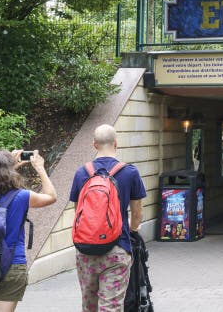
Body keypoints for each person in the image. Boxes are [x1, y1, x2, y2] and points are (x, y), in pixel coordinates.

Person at [70, 124, 147, 312]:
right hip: (117, 249)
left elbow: (77, 213)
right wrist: (131, 229)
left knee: (89, 306)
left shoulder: (82, 173)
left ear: (94, 144)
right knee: (111, 306)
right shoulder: (129, 172)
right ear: (116, 143)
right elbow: (137, 213)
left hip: (86, 251)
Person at [0, 149, 57, 311]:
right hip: (12, 265)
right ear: (7, 171)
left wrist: (9, 167)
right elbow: (51, 196)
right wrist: (40, 168)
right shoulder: (21, 196)